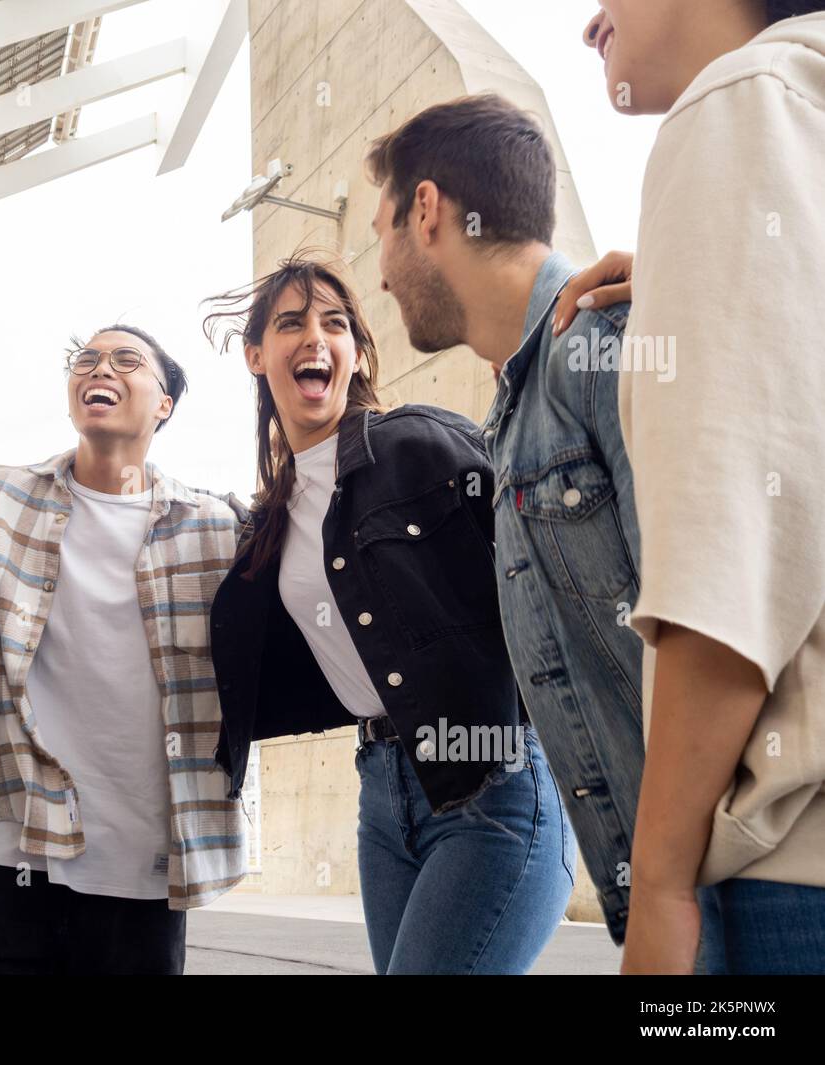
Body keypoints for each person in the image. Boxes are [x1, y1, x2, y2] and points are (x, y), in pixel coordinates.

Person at [204, 257, 573, 974]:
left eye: (334, 323)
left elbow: (543, 555)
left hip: (490, 783)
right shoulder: (269, 523)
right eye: (290, 324)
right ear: (256, 355)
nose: (316, 337)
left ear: (356, 353)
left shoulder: (420, 442)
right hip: (382, 797)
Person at [576, 0, 825, 976]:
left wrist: (662, 886)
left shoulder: (741, 99)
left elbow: (735, 551)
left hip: (789, 887)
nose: (589, 22)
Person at [364, 94, 642, 946]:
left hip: (737, 881)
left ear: (426, 209)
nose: (378, 272)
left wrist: (670, 887)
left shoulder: (610, 338)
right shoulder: (514, 412)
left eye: (380, 230)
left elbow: (712, 628)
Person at [0, 326, 246, 975]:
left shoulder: (215, 528)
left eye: (127, 360)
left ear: (164, 403)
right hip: (10, 861)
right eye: (86, 360)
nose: (101, 367)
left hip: (144, 877)